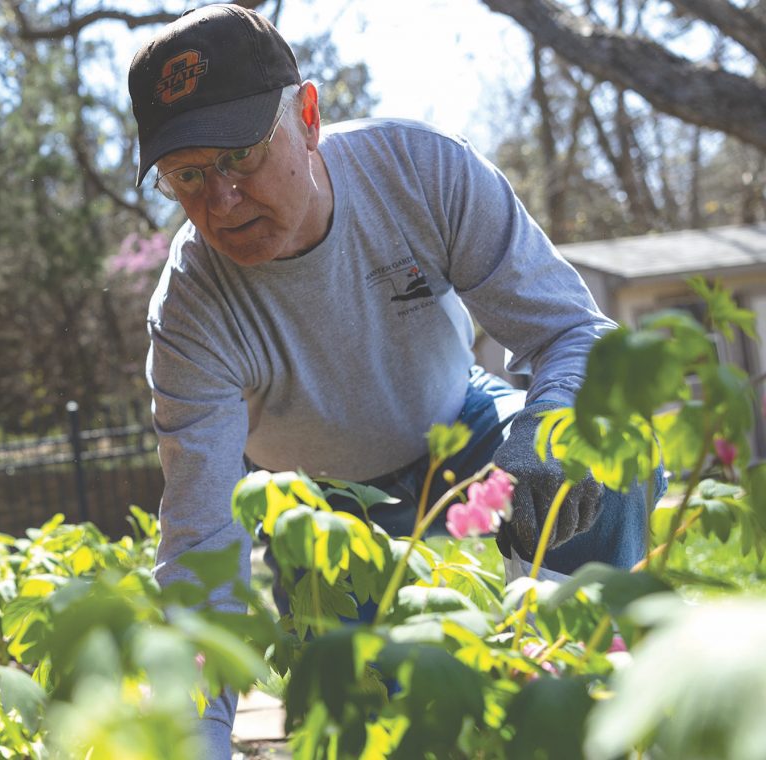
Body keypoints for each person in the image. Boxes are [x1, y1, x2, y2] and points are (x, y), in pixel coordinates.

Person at [128, 4, 664, 756]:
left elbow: (574, 330)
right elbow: (202, 553)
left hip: (463, 434)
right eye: (187, 175)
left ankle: (573, 690)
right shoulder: (189, 314)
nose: (219, 199)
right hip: (317, 508)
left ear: (307, 116)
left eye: (242, 155)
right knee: (363, 725)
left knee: (613, 444)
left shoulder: (420, 171)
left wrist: (548, 430)